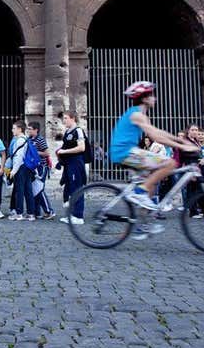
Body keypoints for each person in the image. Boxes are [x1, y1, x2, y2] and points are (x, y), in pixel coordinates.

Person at [108, 82, 196, 238]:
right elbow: (155, 137)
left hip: (127, 152)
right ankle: (139, 192)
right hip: (125, 153)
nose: (155, 98)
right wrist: (181, 146)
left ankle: (142, 225)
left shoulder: (140, 114)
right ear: (144, 98)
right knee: (170, 163)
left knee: (151, 184)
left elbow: (157, 131)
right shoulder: (136, 114)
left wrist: (181, 140)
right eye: (152, 95)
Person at [57, 111, 88, 225]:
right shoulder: (67, 132)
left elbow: (82, 148)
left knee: (77, 189)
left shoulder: (78, 130)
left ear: (73, 118)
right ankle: (71, 214)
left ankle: (78, 216)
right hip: (69, 164)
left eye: (66, 118)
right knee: (69, 188)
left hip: (76, 163)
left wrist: (64, 151)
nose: (64, 120)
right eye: (63, 118)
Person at [7, 121, 36, 221]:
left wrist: (14, 170)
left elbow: (19, 157)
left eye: (14, 128)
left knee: (19, 191)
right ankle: (31, 213)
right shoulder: (26, 139)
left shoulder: (19, 140)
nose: (12, 130)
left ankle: (19, 213)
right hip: (27, 167)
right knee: (28, 190)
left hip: (20, 168)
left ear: (20, 129)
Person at [27, 121, 54, 219]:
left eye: (30, 129)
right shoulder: (29, 139)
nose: (28, 131)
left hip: (41, 167)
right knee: (35, 190)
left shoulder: (40, 140)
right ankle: (36, 212)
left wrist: (34, 152)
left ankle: (49, 211)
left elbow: (47, 153)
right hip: (33, 168)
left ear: (36, 130)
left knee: (39, 189)